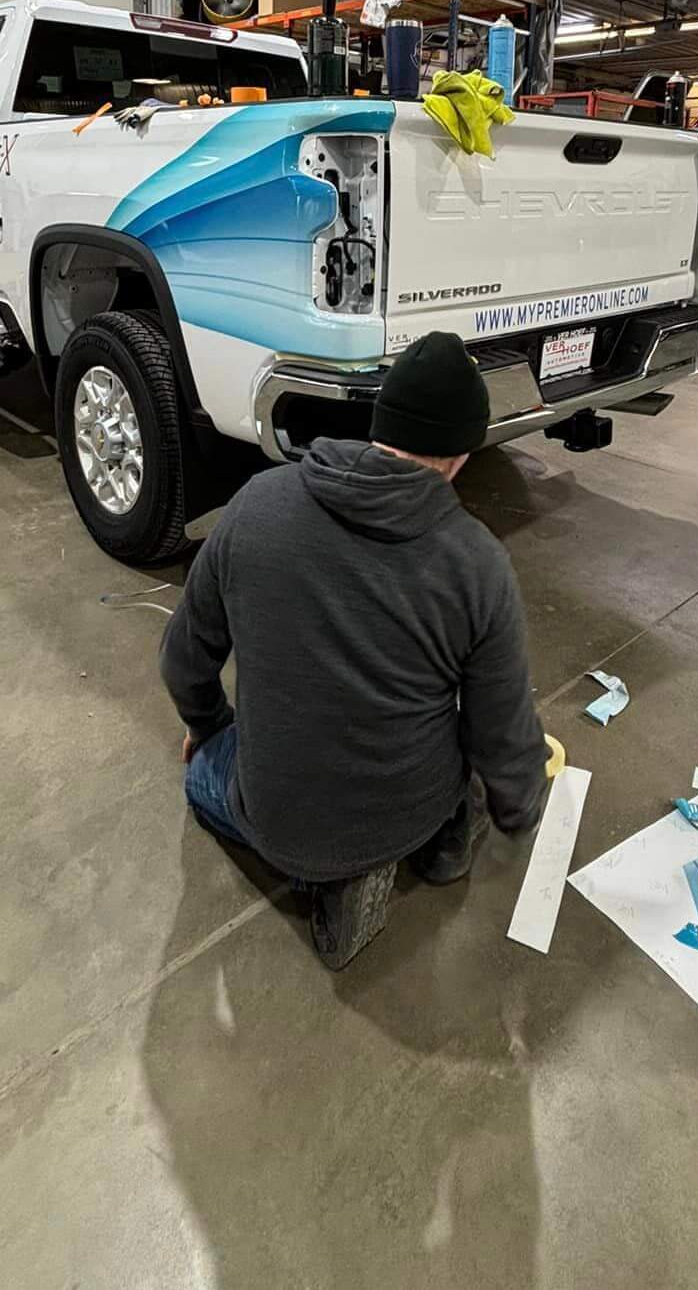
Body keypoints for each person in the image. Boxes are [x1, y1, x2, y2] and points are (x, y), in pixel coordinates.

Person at [160, 330, 548, 969]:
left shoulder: (257, 504)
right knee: (454, 731)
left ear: (380, 422)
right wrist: (518, 808)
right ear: (462, 453)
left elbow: (183, 658)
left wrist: (207, 727)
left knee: (203, 777)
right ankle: (445, 845)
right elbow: (503, 736)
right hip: (415, 806)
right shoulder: (478, 563)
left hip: (280, 819)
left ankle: (328, 877)